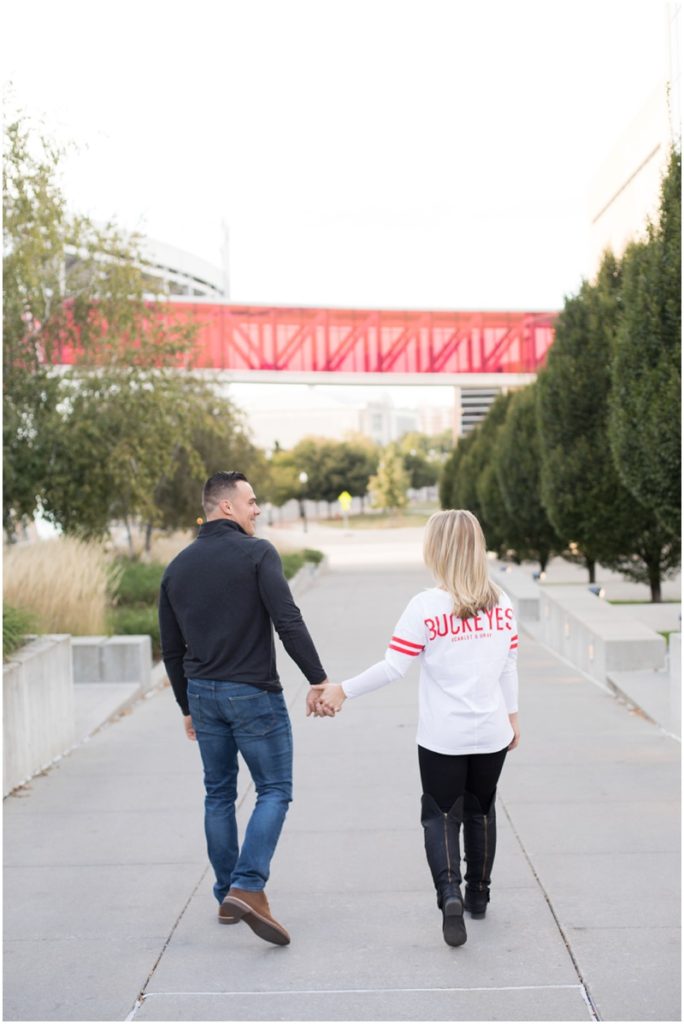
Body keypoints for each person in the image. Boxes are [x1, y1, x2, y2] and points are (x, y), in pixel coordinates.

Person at [309, 509, 520, 948]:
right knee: (481, 809)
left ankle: (450, 896)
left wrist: (343, 690)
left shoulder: (425, 607)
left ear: (436, 550)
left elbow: (393, 668)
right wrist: (512, 717)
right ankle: (479, 895)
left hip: (444, 737)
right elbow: (509, 664)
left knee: (441, 815)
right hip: (492, 733)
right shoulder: (502, 602)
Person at [159, 470, 332, 947]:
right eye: (251, 501)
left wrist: (185, 706)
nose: (257, 509)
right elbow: (287, 620)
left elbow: (171, 650)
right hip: (252, 693)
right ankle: (248, 886)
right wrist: (318, 678)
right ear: (227, 506)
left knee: (218, 794)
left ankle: (226, 896)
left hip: (203, 694)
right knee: (274, 789)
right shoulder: (257, 554)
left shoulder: (177, 567)